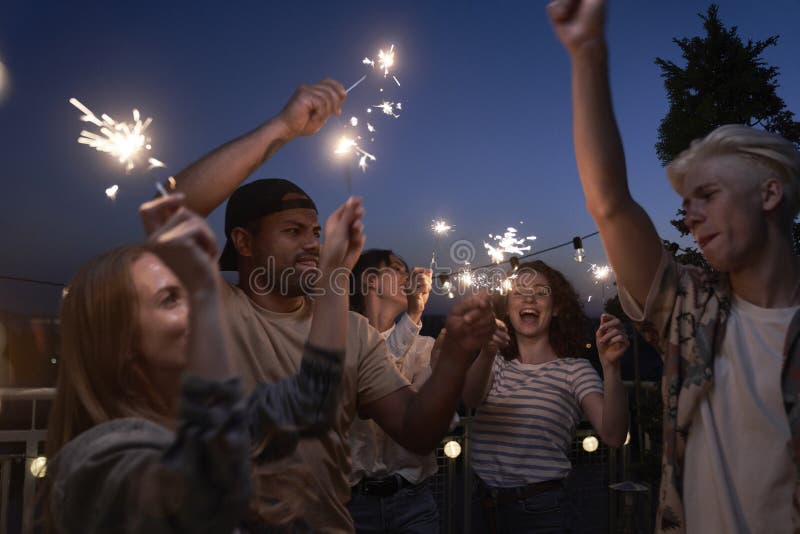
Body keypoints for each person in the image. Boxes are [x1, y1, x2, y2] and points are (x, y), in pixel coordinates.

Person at [167, 79, 497, 532]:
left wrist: (456, 356)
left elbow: (417, 431)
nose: (311, 244)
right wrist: (281, 128)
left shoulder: (353, 331)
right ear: (242, 241)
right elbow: (169, 210)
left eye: (316, 232)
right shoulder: (210, 311)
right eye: (292, 231)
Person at [547, 0, 800, 532]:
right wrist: (587, 55)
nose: (692, 214)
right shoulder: (689, 305)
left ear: (770, 193)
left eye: (707, 194)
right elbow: (610, 202)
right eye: (687, 203)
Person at [43, 194, 365, 533]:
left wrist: (337, 272)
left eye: (191, 293)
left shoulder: (196, 423)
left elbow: (311, 401)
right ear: (119, 342)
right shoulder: (97, 462)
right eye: (171, 299)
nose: (199, 308)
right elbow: (205, 489)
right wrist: (204, 293)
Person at [463, 260, 629, 534]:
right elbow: (470, 398)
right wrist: (487, 351)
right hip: (483, 507)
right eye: (520, 291)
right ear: (507, 306)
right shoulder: (496, 363)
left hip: (542, 511)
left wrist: (611, 368)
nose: (530, 298)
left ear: (557, 308)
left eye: (541, 292)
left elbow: (614, 435)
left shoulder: (574, 370)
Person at [347, 249, 443, 533]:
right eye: (398, 269)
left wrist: (445, 369)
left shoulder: (424, 347)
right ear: (370, 280)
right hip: (351, 506)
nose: (409, 275)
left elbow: (424, 419)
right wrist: (413, 314)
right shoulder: (341, 337)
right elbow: (370, 387)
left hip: (414, 502)